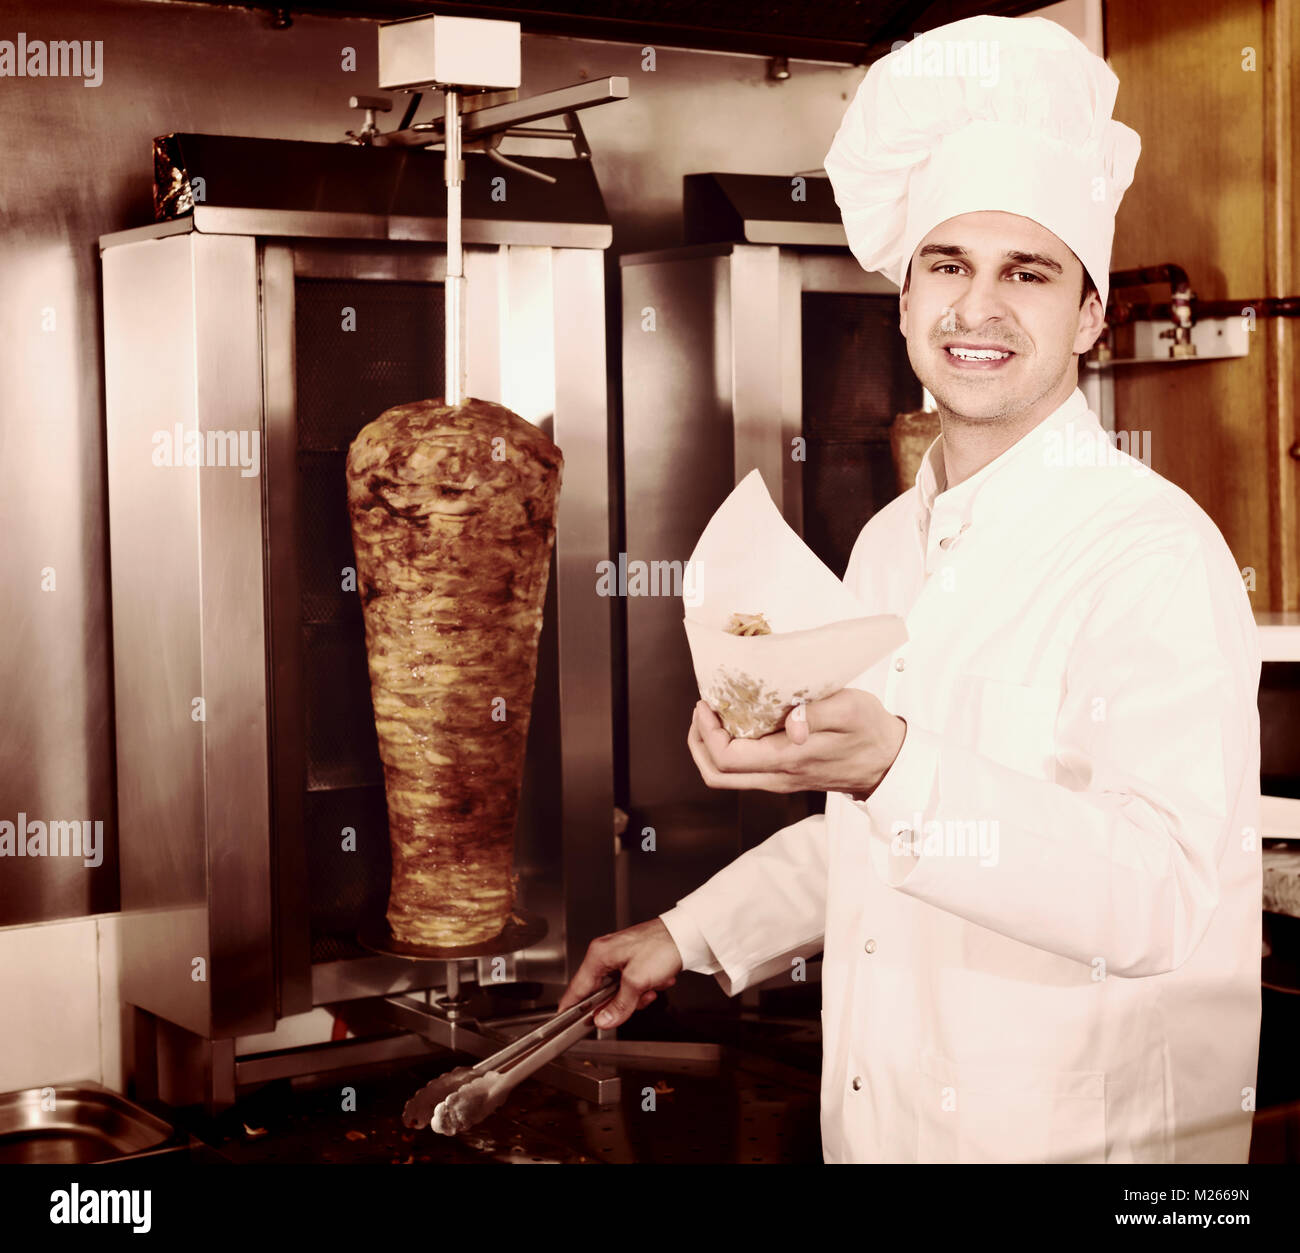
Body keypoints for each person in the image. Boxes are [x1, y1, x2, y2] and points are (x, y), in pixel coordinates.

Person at [559, 13, 1261, 1163]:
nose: (976, 309)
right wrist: (691, 930)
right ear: (902, 299)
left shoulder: (1152, 552)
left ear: (1089, 314)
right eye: (947, 265)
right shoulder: (893, 541)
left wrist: (893, 763)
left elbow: (1158, 895)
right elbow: (876, 834)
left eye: (1026, 272)